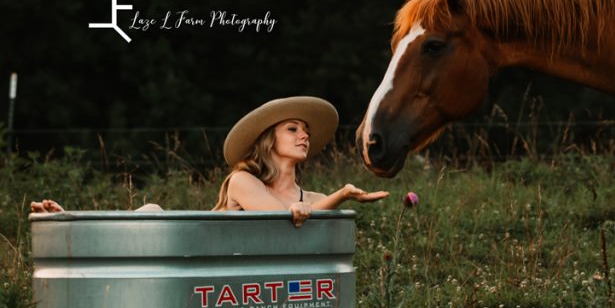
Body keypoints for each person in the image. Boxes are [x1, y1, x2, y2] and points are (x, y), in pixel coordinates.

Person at [31, 96, 389, 225]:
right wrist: (334, 198)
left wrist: (342, 194)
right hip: (182, 249)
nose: (304, 135)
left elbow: (314, 209)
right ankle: (71, 222)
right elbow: (278, 218)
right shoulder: (243, 181)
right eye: (292, 128)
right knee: (151, 210)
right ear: (269, 140)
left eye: (306, 131)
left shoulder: (304, 197)